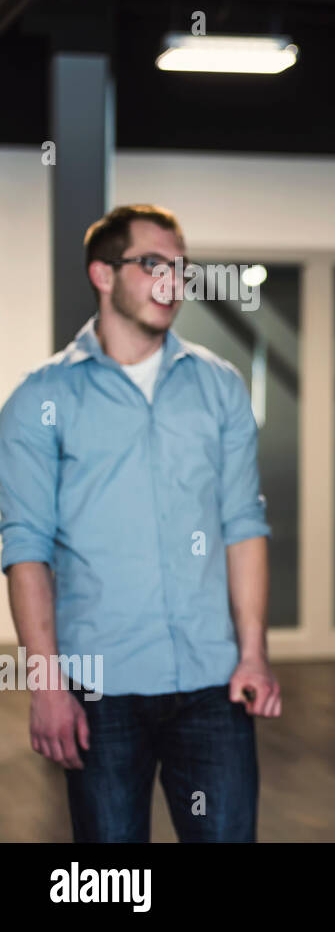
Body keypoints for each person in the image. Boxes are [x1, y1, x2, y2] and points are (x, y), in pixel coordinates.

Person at [0, 204, 279, 842]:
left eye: (181, 267)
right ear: (102, 273)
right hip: (101, 688)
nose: (171, 282)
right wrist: (45, 687)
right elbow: (26, 552)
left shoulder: (220, 387)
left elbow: (242, 526)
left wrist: (255, 655)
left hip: (214, 685)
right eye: (153, 264)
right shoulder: (41, 400)